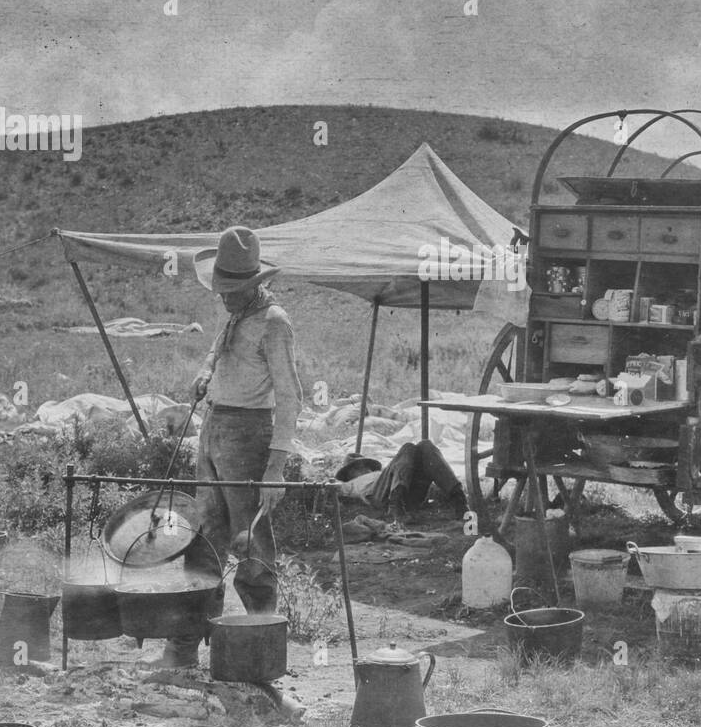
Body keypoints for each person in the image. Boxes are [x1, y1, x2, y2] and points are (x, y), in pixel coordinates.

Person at [157, 226, 303, 668]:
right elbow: (215, 353)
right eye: (222, 289)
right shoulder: (232, 315)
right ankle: (183, 649)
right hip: (214, 428)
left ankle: (261, 651)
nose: (225, 297)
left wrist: (275, 468)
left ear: (255, 284)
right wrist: (203, 374)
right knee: (203, 539)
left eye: (233, 290)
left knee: (253, 545)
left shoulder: (274, 323)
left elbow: (291, 397)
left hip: (250, 434)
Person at [335, 441, 470, 525]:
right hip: (382, 495)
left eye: (365, 465)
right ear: (349, 475)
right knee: (408, 447)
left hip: (407, 493)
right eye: (357, 468)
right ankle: (395, 506)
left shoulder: (381, 473)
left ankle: (459, 499)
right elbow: (333, 489)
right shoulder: (350, 484)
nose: (364, 468)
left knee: (425, 445)